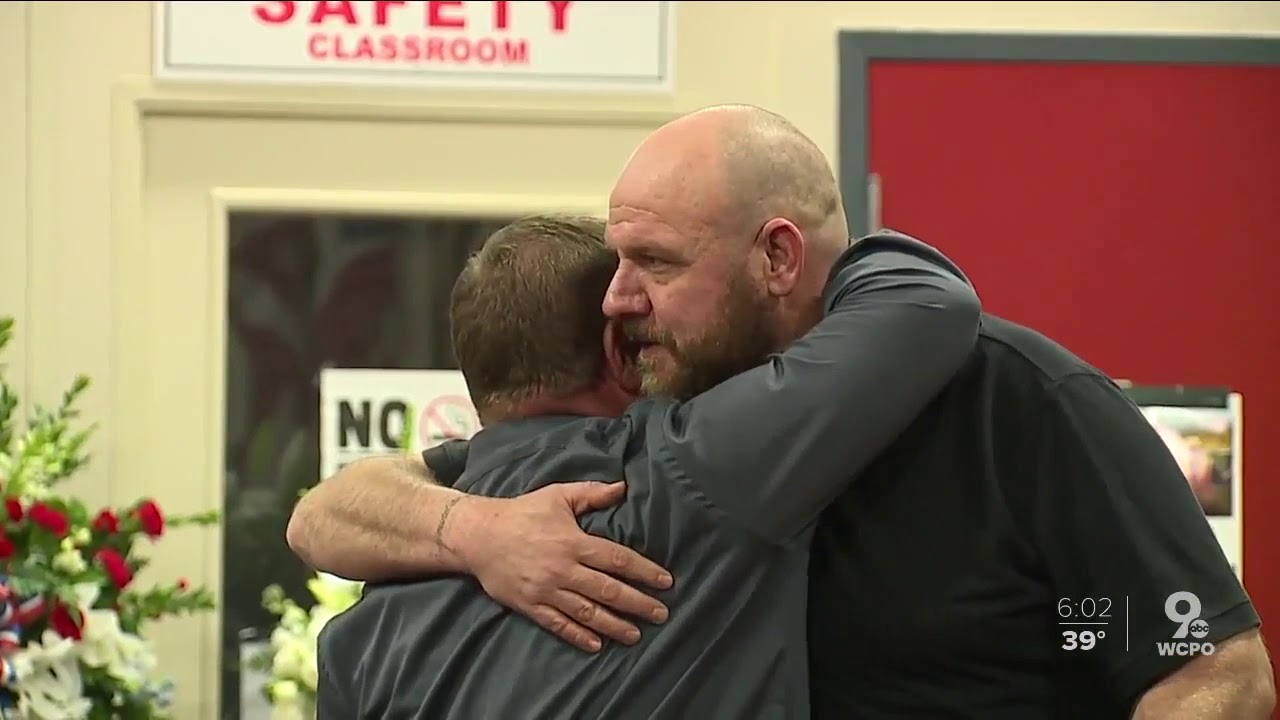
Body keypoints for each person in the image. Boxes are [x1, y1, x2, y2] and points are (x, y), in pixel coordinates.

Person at [291, 106, 1275, 718]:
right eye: (616, 261)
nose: (616, 300)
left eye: (657, 265)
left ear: (775, 257)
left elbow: (1214, 676)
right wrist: (476, 529)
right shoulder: (656, 430)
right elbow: (335, 509)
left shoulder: (1016, 400)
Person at [313, 214, 982, 718]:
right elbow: (926, 298)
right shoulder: (695, 468)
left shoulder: (364, 631)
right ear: (619, 344)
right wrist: (779, 255)